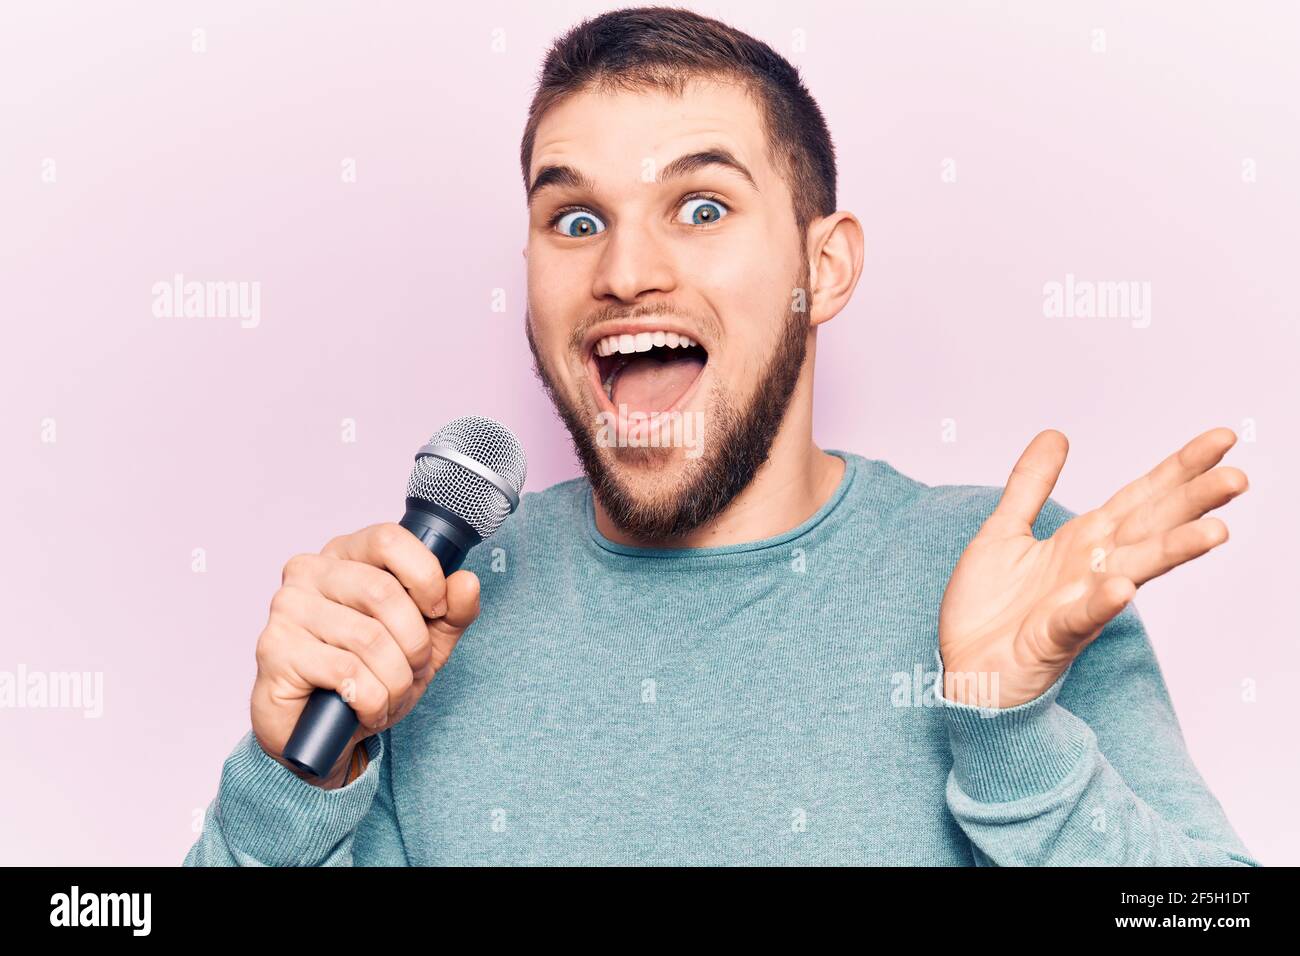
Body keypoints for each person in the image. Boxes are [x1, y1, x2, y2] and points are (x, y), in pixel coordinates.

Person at [186, 6, 1256, 866]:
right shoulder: (420, 615)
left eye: (700, 207)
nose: (623, 271)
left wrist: (1008, 732)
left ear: (821, 268)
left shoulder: (1007, 571)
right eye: (574, 218)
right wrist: (293, 788)